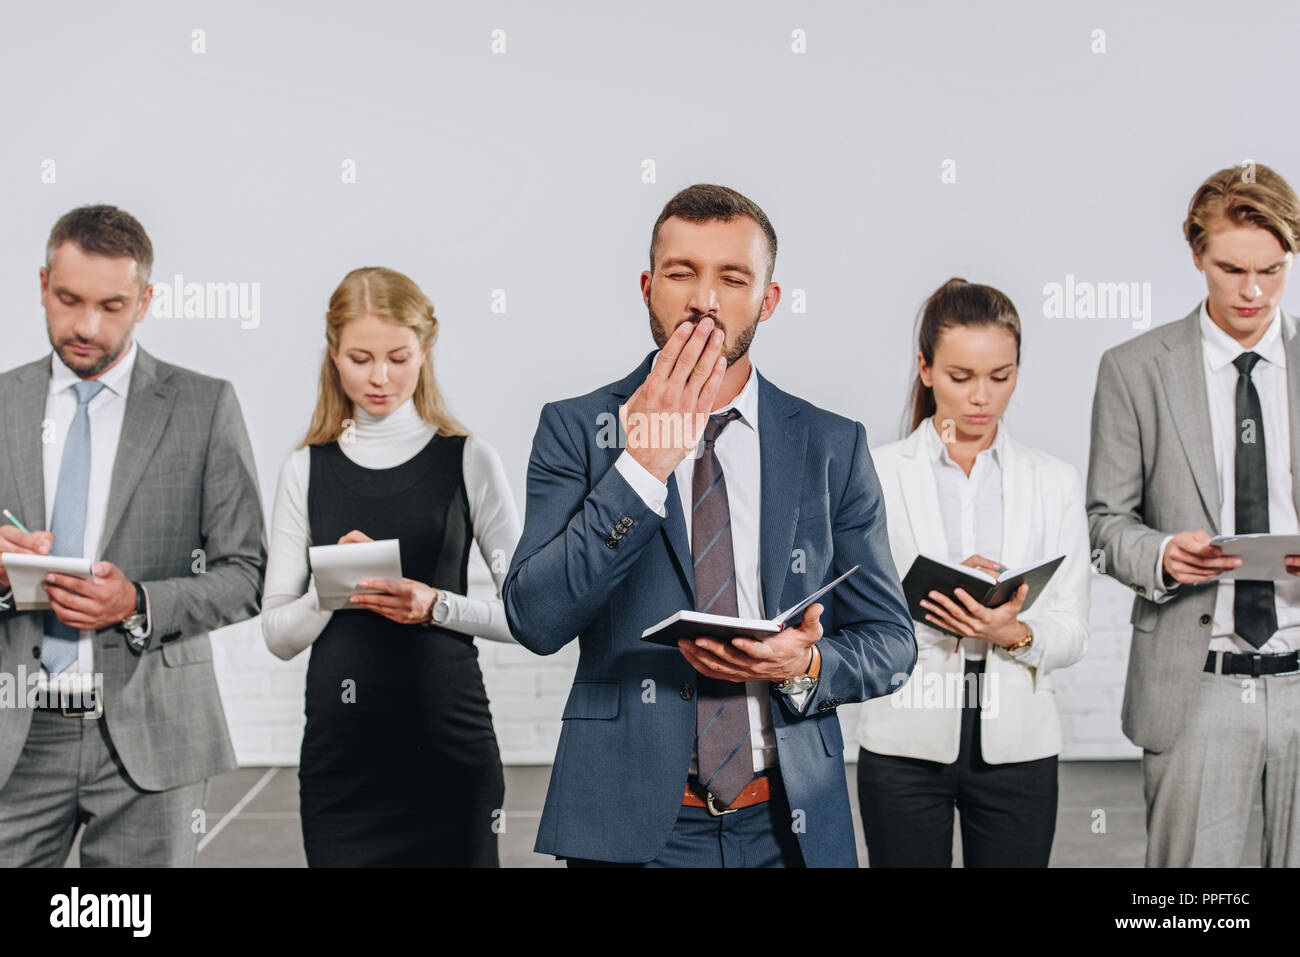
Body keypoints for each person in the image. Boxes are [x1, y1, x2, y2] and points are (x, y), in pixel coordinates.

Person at [504, 184, 916, 867]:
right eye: (681, 272)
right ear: (647, 286)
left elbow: (892, 643)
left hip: (789, 827)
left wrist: (805, 664)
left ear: (768, 299)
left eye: (733, 276)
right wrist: (640, 467)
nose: (705, 298)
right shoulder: (577, 430)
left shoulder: (831, 444)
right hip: (630, 828)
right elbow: (535, 617)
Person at [0, 205, 266, 866]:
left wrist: (138, 604)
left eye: (112, 305)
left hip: (156, 735)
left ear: (146, 300)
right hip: (16, 739)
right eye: (68, 300)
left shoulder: (204, 406)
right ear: (40, 285)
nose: (86, 326)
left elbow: (248, 571)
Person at [261, 266, 520, 867]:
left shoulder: (469, 459)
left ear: (425, 350)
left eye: (399, 357)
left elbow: (527, 618)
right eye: (360, 357)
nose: (380, 377)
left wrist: (435, 605)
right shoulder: (304, 469)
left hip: (450, 752)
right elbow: (276, 636)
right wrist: (333, 586)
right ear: (333, 354)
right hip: (342, 764)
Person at [1089, 162, 1300, 868]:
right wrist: (1161, 555)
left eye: (1272, 270)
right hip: (1197, 678)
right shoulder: (1135, 369)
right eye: (1231, 268)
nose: (1252, 291)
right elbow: (1104, 524)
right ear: (1195, 253)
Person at [854, 278, 1090, 867]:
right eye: (961, 377)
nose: (981, 397)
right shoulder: (875, 473)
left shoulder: (1053, 480)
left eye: (1000, 376)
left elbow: (1073, 628)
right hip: (903, 735)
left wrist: (1011, 630)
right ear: (926, 369)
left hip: (1019, 742)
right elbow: (848, 613)